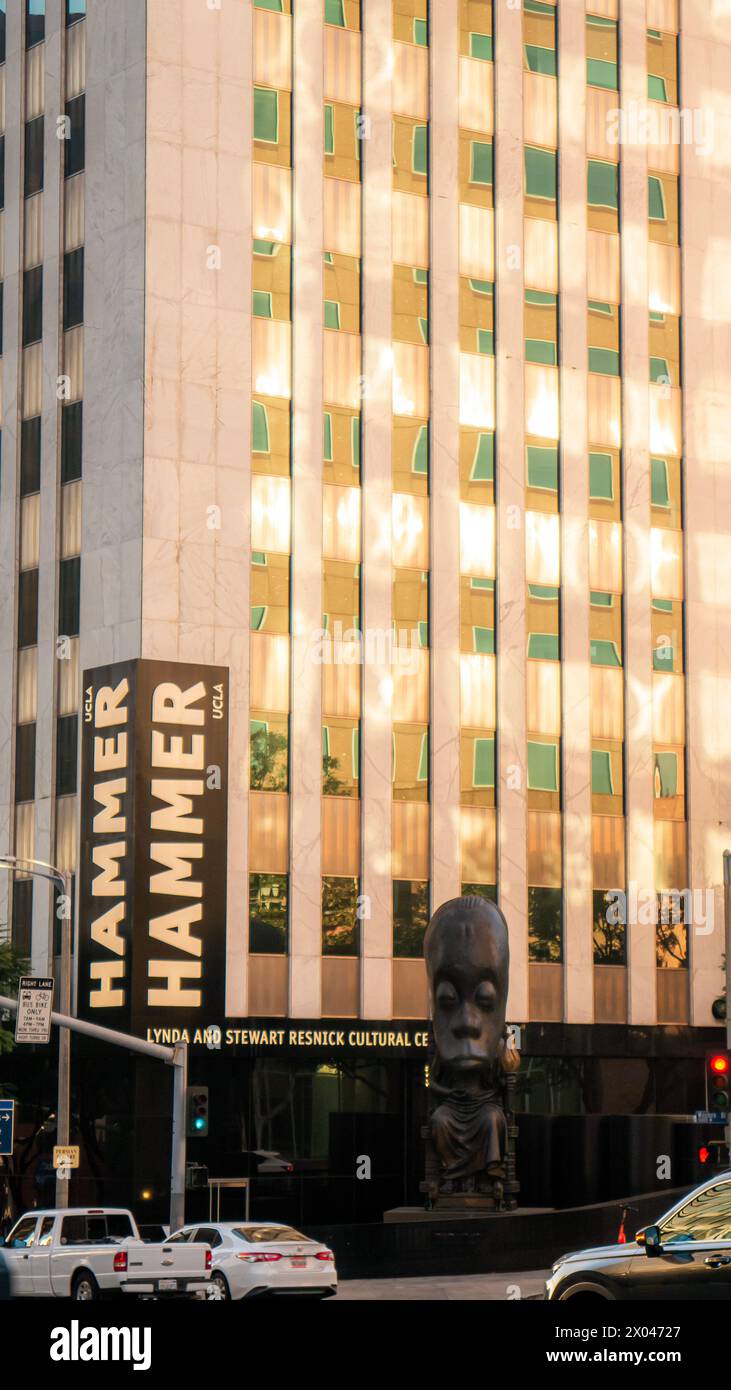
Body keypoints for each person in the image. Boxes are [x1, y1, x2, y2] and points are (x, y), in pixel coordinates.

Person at [424, 895, 517, 1191]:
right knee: (440, 1120)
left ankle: (488, 1180)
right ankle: (452, 1180)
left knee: (493, 1119)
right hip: (453, 1108)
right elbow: (434, 1084)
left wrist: (508, 1068)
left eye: (485, 999)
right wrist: (447, 1092)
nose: (467, 1022)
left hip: (483, 1107)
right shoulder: (439, 1053)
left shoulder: (497, 1053)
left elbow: (505, 1095)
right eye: (448, 999)